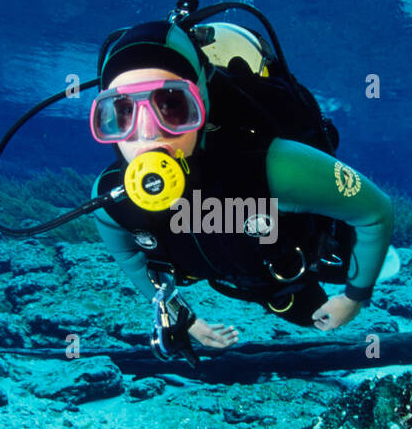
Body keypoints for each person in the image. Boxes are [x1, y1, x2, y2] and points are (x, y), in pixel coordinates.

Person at [90, 18, 395, 355]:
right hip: (225, 272)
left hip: (284, 276)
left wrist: (355, 297)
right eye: (122, 112)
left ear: (201, 102)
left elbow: (374, 211)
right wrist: (183, 316)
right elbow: (132, 258)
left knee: (308, 314)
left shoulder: (272, 166)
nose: (147, 133)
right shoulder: (112, 202)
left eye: (171, 105)